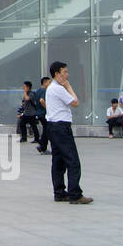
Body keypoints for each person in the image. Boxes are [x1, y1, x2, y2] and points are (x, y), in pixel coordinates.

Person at [45, 61, 91, 204]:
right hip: (61, 127)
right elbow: (76, 102)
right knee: (72, 160)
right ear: (57, 74)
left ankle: (59, 192)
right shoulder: (58, 88)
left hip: (53, 127)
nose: (67, 75)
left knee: (58, 161)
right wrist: (69, 86)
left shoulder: (51, 88)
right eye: (64, 72)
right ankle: (75, 194)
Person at [32, 77, 50, 155]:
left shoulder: (37, 91)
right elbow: (41, 100)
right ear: (45, 82)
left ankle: (42, 145)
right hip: (43, 113)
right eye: (49, 82)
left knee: (46, 129)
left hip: (39, 113)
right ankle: (42, 146)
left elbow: (35, 102)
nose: (50, 84)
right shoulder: (44, 90)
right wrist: (47, 108)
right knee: (47, 130)